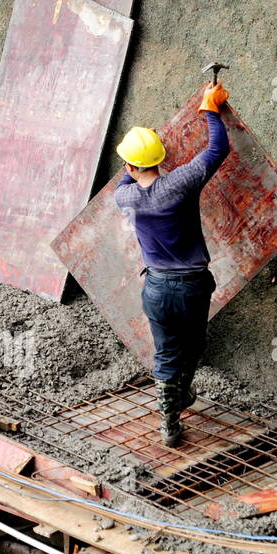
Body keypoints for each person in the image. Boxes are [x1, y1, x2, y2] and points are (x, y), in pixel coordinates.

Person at [113, 82, 230, 446]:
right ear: (161, 160)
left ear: (131, 166)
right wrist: (210, 109)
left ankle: (169, 421)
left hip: (157, 289)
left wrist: (135, 162)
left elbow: (127, 174)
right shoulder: (180, 183)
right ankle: (181, 394)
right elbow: (217, 149)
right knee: (193, 346)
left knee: (165, 352)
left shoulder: (124, 197)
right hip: (192, 286)